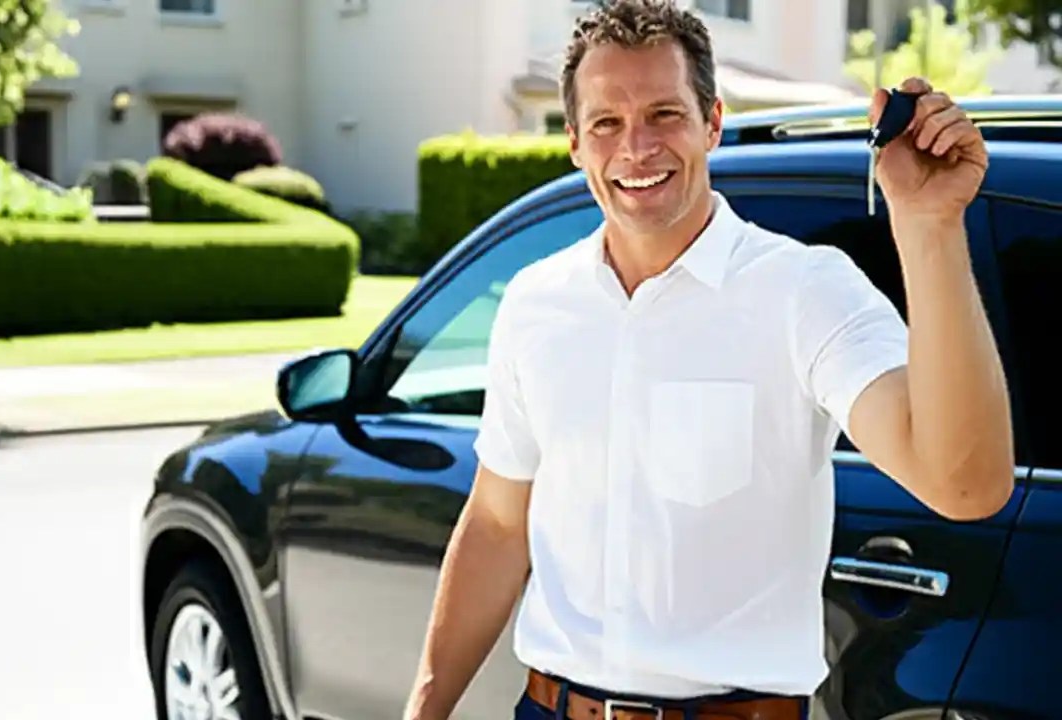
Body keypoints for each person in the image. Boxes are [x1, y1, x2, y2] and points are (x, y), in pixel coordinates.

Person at [401, 1, 1016, 719]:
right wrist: (426, 705)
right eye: (606, 122)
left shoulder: (804, 291)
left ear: (712, 122)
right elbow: (500, 525)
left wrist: (929, 225)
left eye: (664, 113)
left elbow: (966, 485)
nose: (635, 147)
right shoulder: (536, 303)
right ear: (573, 142)